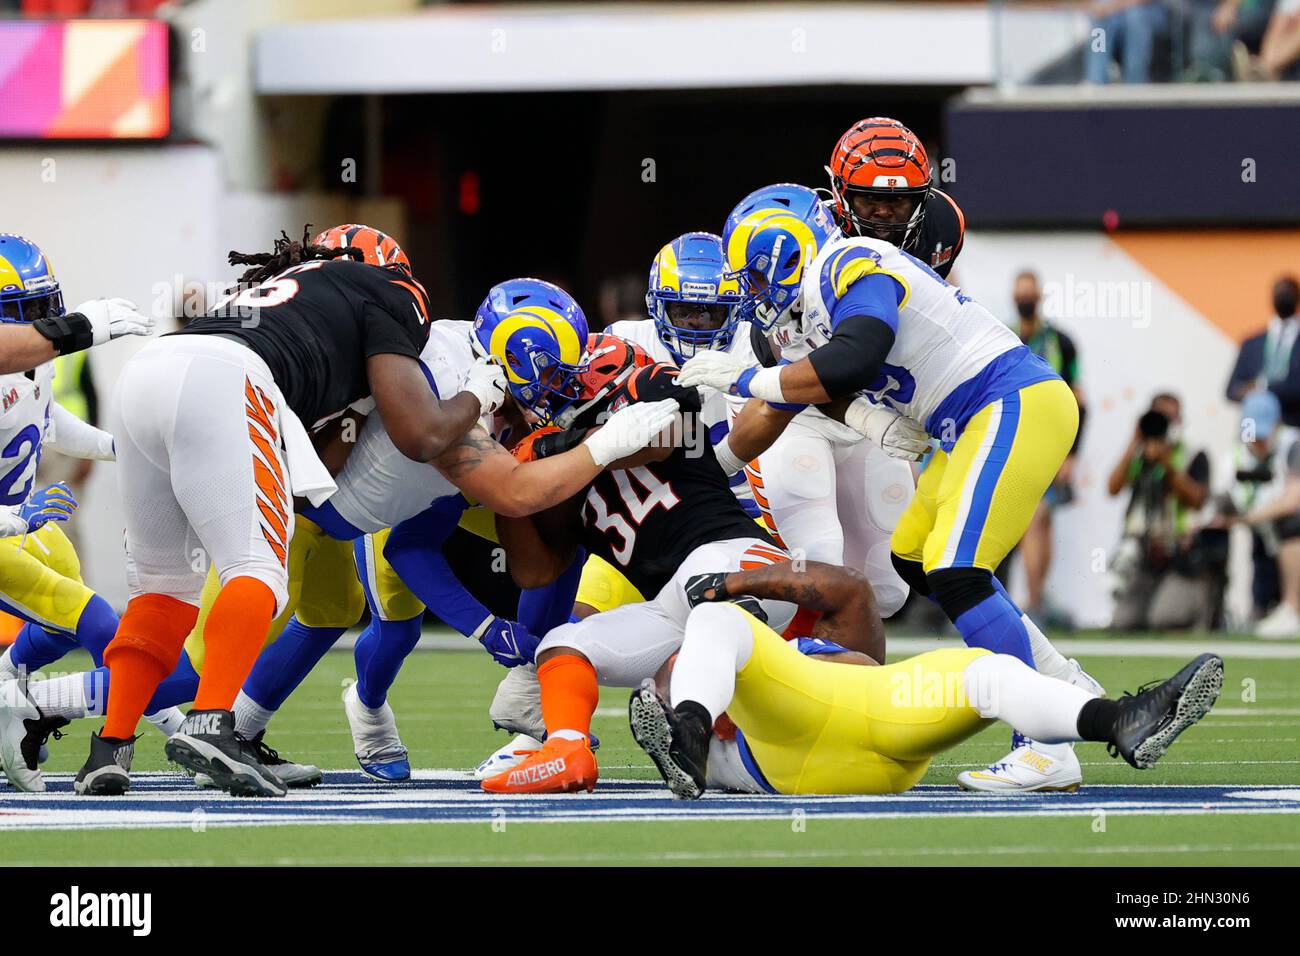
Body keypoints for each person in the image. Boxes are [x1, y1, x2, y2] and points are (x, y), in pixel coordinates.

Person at [677, 182, 1105, 793]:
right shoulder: (814, 298)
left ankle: (1045, 743)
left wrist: (752, 376)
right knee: (915, 562)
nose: (749, 291)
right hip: (966, 421)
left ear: (781, 251)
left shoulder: (846, 262)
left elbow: (856, 355)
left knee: (958, 572)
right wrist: (872, 419)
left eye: (752, 273)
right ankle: (1061, 683)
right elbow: (836, 387)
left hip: (1006, 401)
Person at [480, 351, 812, 794]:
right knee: (564, 644)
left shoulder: (644, 387)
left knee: (707, 608)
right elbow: (536, 572)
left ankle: (693, 720)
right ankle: (567, 751)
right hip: (669, 607)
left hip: (731, 561)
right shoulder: (555, 475)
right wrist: (509, 489)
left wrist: (547, 448)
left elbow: (661, 434)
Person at [633, 595, 1222, 798]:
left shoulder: (790, 654)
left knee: (988, 673)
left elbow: (865, 662)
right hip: (785, 744)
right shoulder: (709, 656)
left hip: (870, 732)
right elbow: (664, 678)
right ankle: (688, 735)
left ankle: (1119, 719)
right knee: (712, 617)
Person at [1000, 270, 1086, 627]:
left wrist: (1073, 453)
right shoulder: (1001, 335)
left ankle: (1035, 600)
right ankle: (1030, 598)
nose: (1025, 301)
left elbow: (1079, 398)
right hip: (1012, 443)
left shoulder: (1061, 342)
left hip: (1050, 443)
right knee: (1029, 522)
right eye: (1020, 295)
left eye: (1030, 295)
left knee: (1040, 521)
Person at [1107, 393, 1213, 631]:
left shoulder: (1192, 454)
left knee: (1164, 619)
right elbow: (1112, 487)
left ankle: (1197, 606)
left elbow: (1197, 500)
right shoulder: (1139, 458)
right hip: (1146, 558)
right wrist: (1134, 441)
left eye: (1170, 418)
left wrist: (1166, 463)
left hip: (1181, 558)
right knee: (1123, 622)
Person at [824, 117, 965, 280]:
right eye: (870, 197)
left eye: (897, 198)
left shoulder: (942, 223)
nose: (883, 212)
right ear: (840, 192)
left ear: (922, 198)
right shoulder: (815, 238)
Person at [0, 233, 153, 374]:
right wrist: (78, 326)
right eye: (20, 306)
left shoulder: (39, 358)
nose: (36, 313)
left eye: (41, 303)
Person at [1227, 389, 1300, 637]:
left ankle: (1293, 608)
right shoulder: (1241, 453)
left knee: (1291, 523)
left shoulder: (1293, 444)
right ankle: (1265, 606)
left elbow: (1293, 500)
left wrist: (1247, 518)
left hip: (1286, 527)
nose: (1257, 442)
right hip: (1267, 537)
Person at [1226, 275, 1300, 426]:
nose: (1283, 295)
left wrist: (1262, 387)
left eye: (1288, 291)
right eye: (1280, 291)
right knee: (1245, 445)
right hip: (1252, 426)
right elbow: (1231, 391)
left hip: (1292, 428)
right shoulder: (1251, 343)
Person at [1085, 0, 1173, 85]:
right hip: (1115, 15)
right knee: (1100, 23)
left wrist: (1111, 7)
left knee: (1135, 16)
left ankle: (1135, 83)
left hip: (1148, 12)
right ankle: (1095, 81)